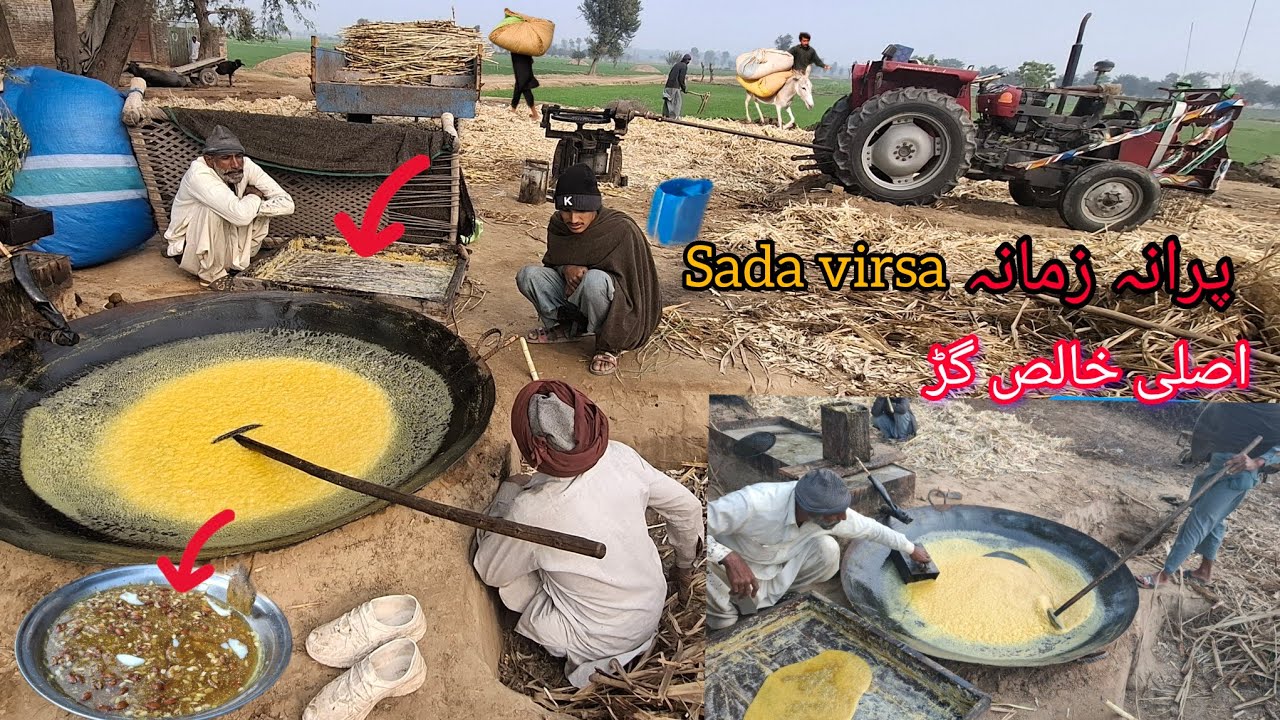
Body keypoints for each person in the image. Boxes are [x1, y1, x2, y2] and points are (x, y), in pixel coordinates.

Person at [473, 380, 704, 688]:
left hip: (601, 642)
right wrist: (684, 565)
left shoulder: (531, 512)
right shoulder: (619, 456)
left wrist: (507, 495)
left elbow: (489, 570)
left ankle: (573, 650)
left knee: (510, 576)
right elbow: (687, 507)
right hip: (652, 605)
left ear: (531, 448)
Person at [706, 468, 931, 630]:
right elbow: (695, 523)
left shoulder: (830, 511)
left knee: (827, 549)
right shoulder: (753, 503)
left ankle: (774, 599)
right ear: (808, 509)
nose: (842, 518)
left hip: (774, 566)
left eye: (843, 510)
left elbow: (872, 529)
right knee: (726, 622)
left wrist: (910, 549)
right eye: (836, 514)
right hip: (724, 570)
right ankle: (727, 617)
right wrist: (727, 556)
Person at [516, 164, 662, 376]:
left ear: (595, 207)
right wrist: (566, 268)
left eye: (582, 211)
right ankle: (568, 327)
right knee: (528, 276)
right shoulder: (558, 225)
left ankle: (607, 346)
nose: (573, 220)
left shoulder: (621, 229)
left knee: (594, 281)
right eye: (566, 210)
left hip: (615, 302)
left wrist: (587, 273)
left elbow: (634, 285)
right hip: (574, 294)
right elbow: (554, 260)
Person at [1137, 404, 1280, 589]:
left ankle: (1164, 575)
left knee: (1199, 520)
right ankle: (1204, 572)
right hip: (1218, 463)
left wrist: (1258, 462)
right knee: (1215, 522)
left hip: (1237, 473)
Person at [164, 125, 295, 286]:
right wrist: (253, 196)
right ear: (210, 160)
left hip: (232, 248)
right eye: (226, 158)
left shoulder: (246, 165)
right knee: (214, 210)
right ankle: (210, 275)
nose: (235, 164)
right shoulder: (198, 174)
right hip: (192, 253)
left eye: (238, 156)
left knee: (254, 211)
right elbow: (240, 216)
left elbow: (288, 204)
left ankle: (235, 264)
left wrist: (254, 207)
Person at [510, 52, 540, 120]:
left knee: (523, 86)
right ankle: (513, 110)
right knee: (521, 85)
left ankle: (535, 114)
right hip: (521, 61)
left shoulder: (520, 48)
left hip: (522, 62)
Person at [663, 54, 691, 119]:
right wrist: (684, 88)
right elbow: (681, 78)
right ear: (687, 61)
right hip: (674, 87)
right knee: (677, 103)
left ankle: (665, 116)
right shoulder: (684, 66)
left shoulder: (677, 65)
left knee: (668, 101)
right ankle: (674, 118)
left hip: (668, 86)